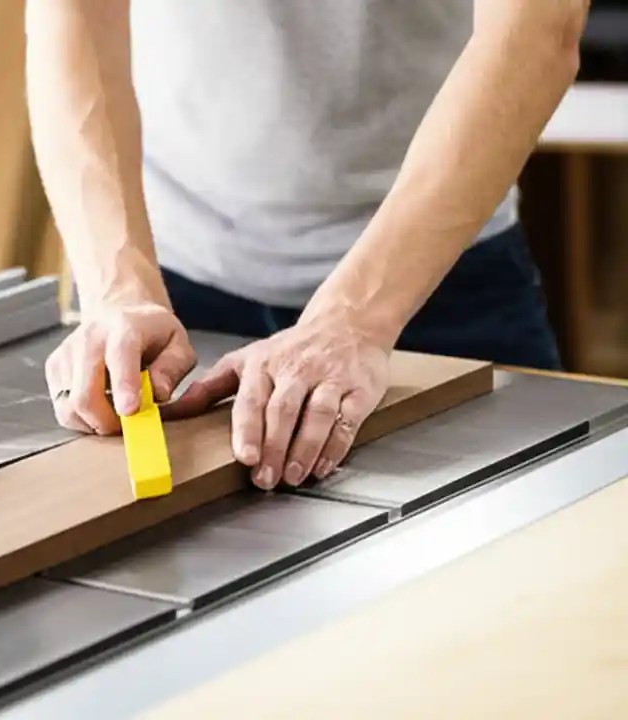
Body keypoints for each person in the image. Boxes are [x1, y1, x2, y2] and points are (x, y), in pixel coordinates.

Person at [29, 1, 587, 490]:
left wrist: (355, 320)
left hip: (435, 272)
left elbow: (537, 31)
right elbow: (72, 13)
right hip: (169, 276)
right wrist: (120, 290)